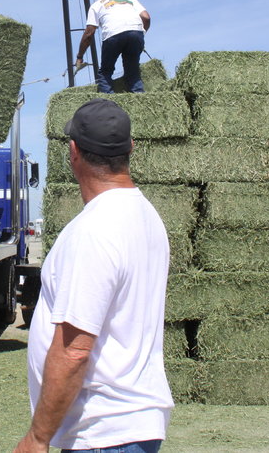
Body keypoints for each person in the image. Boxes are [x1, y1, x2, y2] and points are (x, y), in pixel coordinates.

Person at [16, 98, 172, 452]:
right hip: (133, 425)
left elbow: (74, 351)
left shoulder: (94, 231)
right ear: (130, 147)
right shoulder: (147, 216)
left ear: (73, 152)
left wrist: (38, 438)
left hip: (104, 432)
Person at [75, 0, 151, 94]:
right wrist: (141, 35)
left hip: (112, 35)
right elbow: (146, 17)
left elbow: (89, 33)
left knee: (105, 72)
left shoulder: (97, 5)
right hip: (135, 32)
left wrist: (80, 56)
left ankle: (109, 103)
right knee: (132, 70)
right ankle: (139, 97)